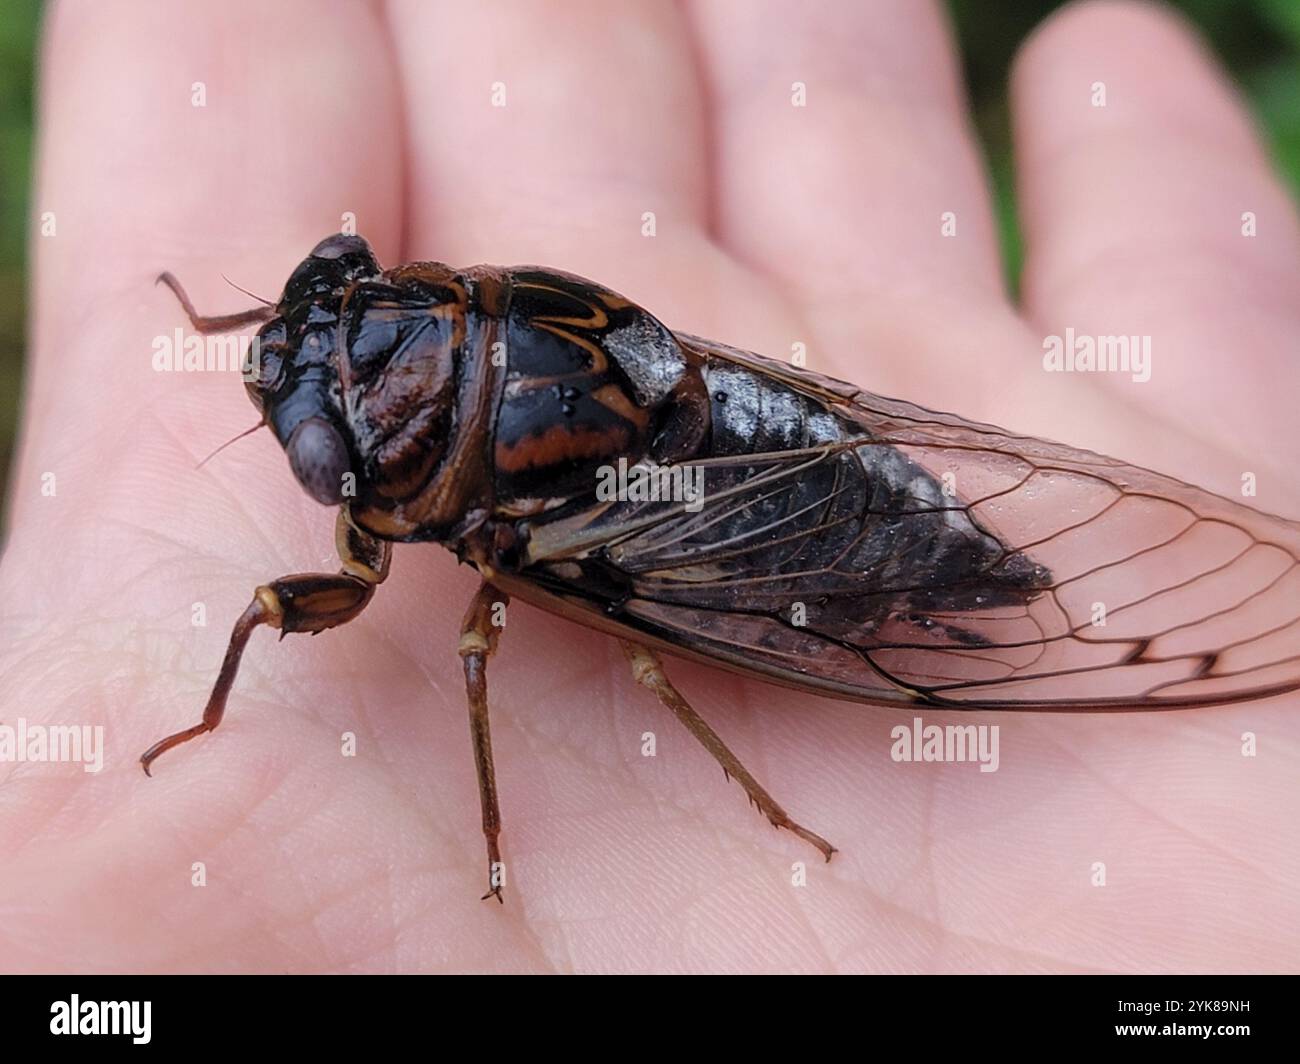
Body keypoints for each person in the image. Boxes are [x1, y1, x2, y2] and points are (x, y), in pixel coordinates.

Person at [3, 0, 1297, 973]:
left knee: (624, 656)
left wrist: (504, 861)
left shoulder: (486, 540)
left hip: (749, 536)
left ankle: (947, 588)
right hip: (728, 406)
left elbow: (564, 654)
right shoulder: (462, 313)